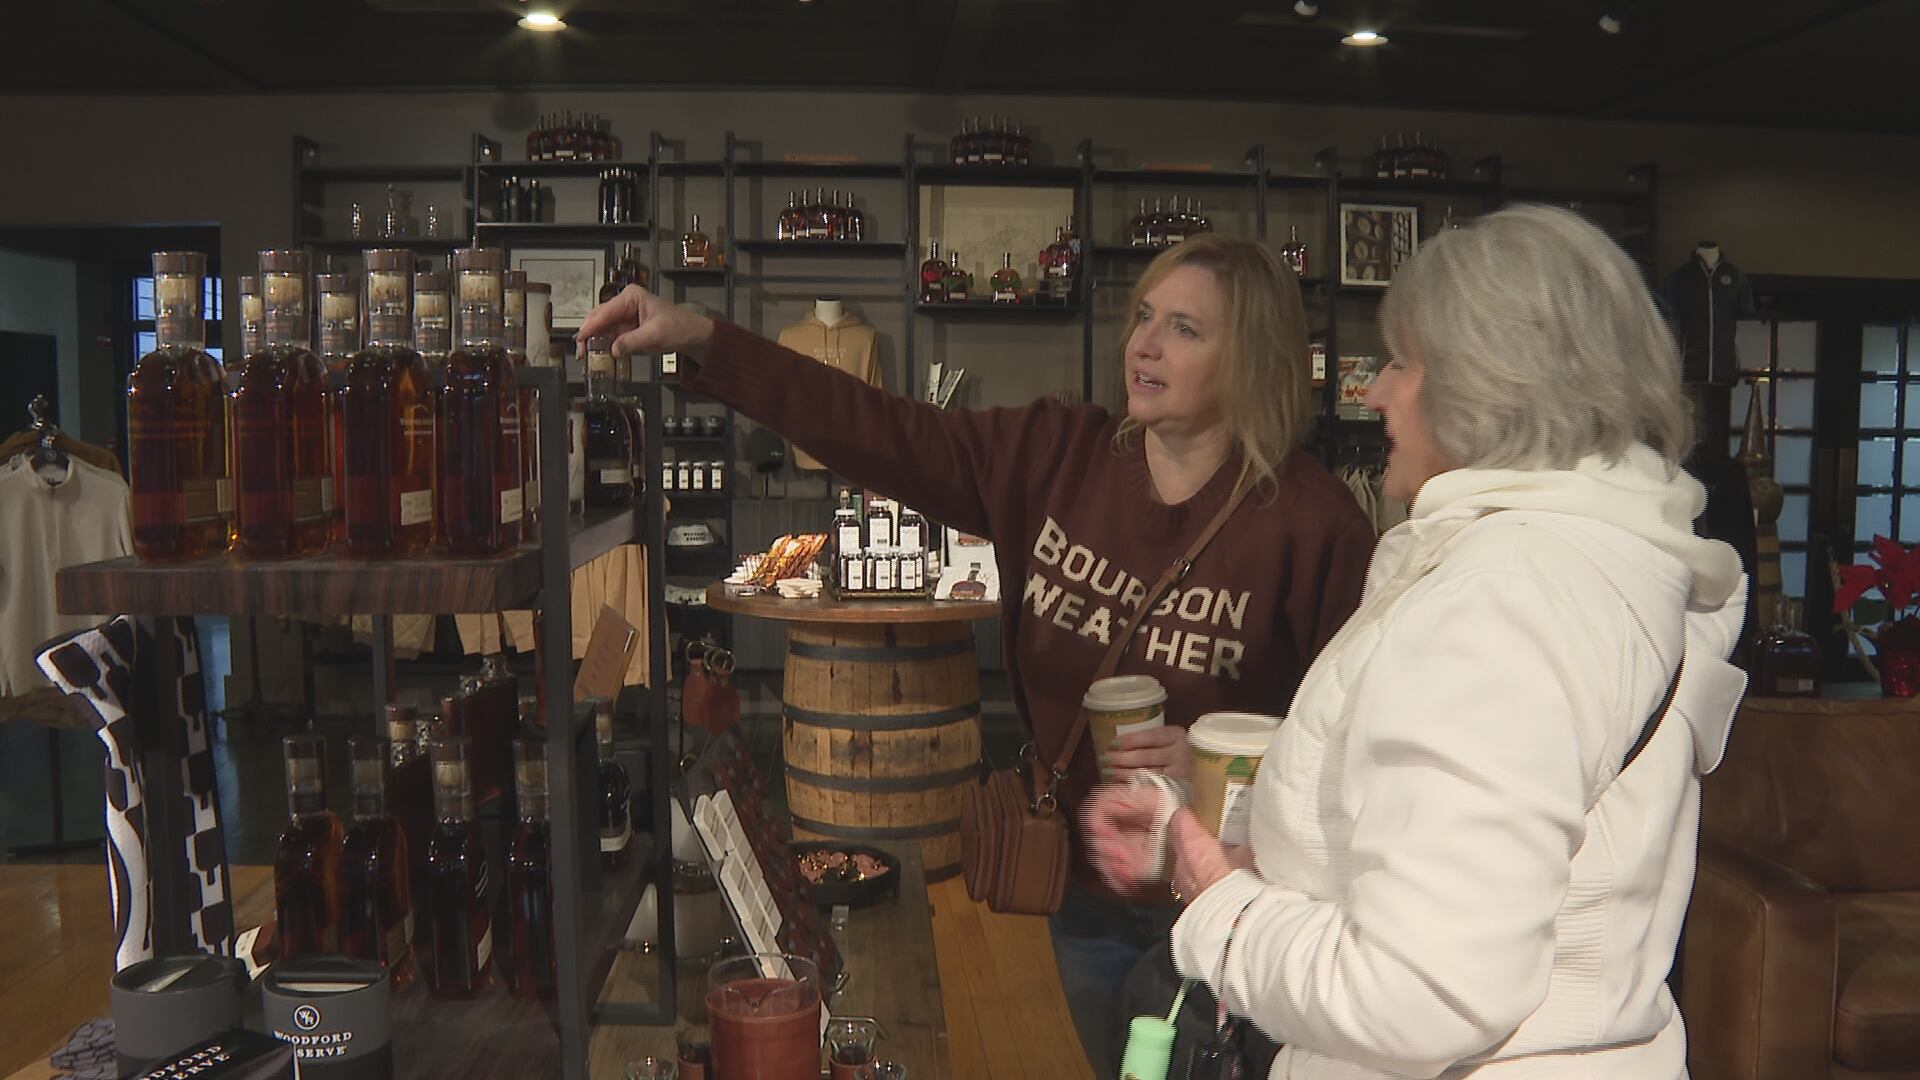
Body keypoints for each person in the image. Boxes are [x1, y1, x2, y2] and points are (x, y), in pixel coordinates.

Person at [576, 235, 1375, 1077]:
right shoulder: (1060, 455)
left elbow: (1361, 748)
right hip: (1085, 889)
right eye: (1143, 316)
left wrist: (1236, 760)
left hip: (1235, 902)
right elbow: (879, 429)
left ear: (1250, 358)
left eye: (1183, 329)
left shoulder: (1313, 526)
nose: (1143, 343)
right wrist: (706, 337)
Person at [1084, 205, 1750, 1078]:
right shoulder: (1590, 564)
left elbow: (1422, 990)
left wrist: (1219, 905)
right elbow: (1463, 845)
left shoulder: (1502, 602)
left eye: (1402, 362)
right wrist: (1201, 839)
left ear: (1488, 381)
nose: (1374, 391)